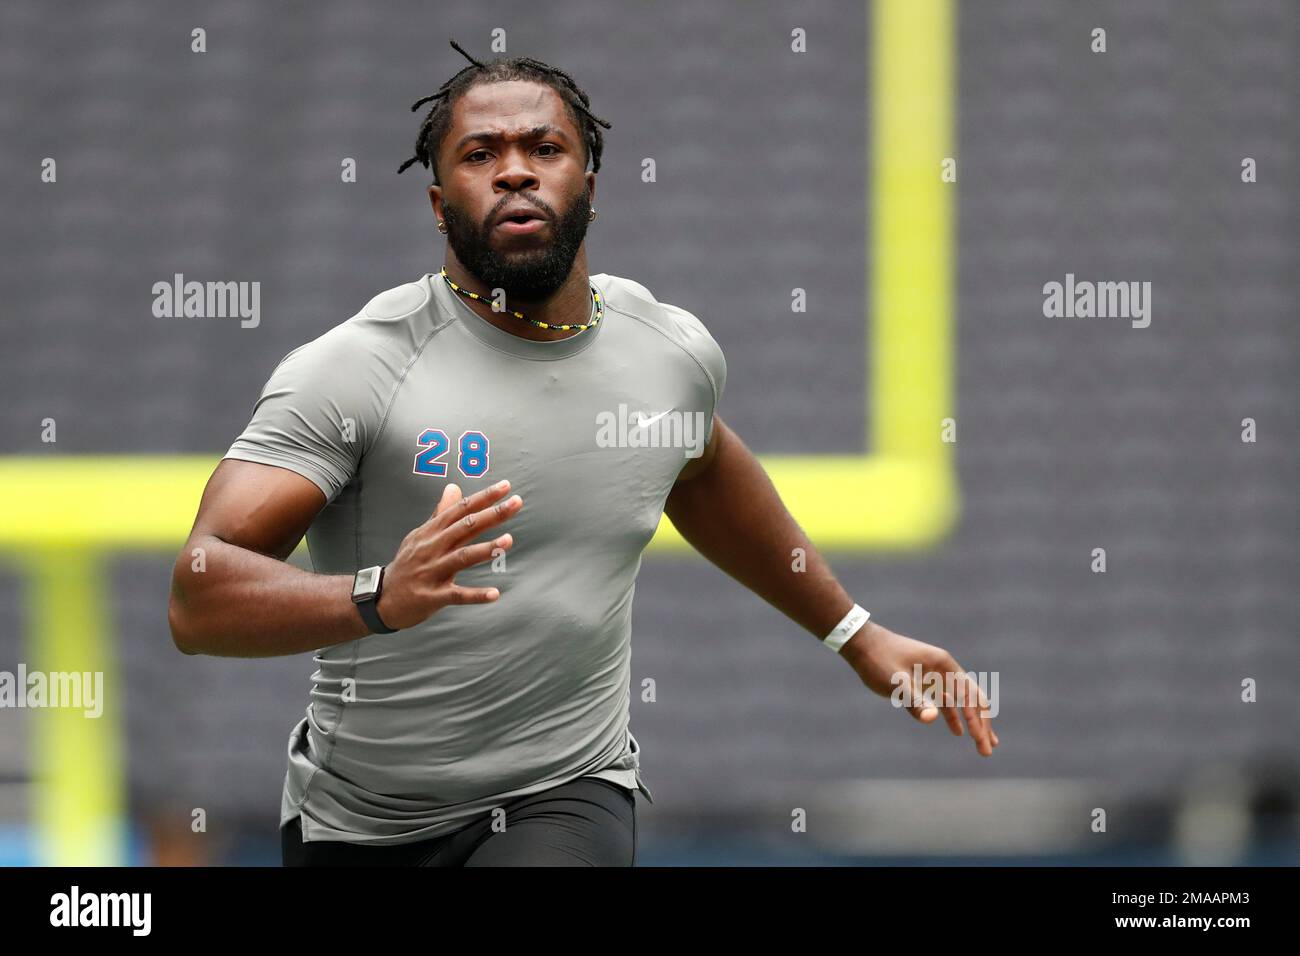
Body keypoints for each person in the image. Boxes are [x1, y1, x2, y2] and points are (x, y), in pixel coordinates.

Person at [167, 39, 997, 868]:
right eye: (480, 154)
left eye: (545, 148)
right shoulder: (353, 370)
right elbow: (198, 597)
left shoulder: (667, 353)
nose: (515, 171)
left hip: (566, 788)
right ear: (437, 202)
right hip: (362, 822)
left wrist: (855, 633)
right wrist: (382, 593)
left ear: (588, 190)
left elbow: (702, 471)